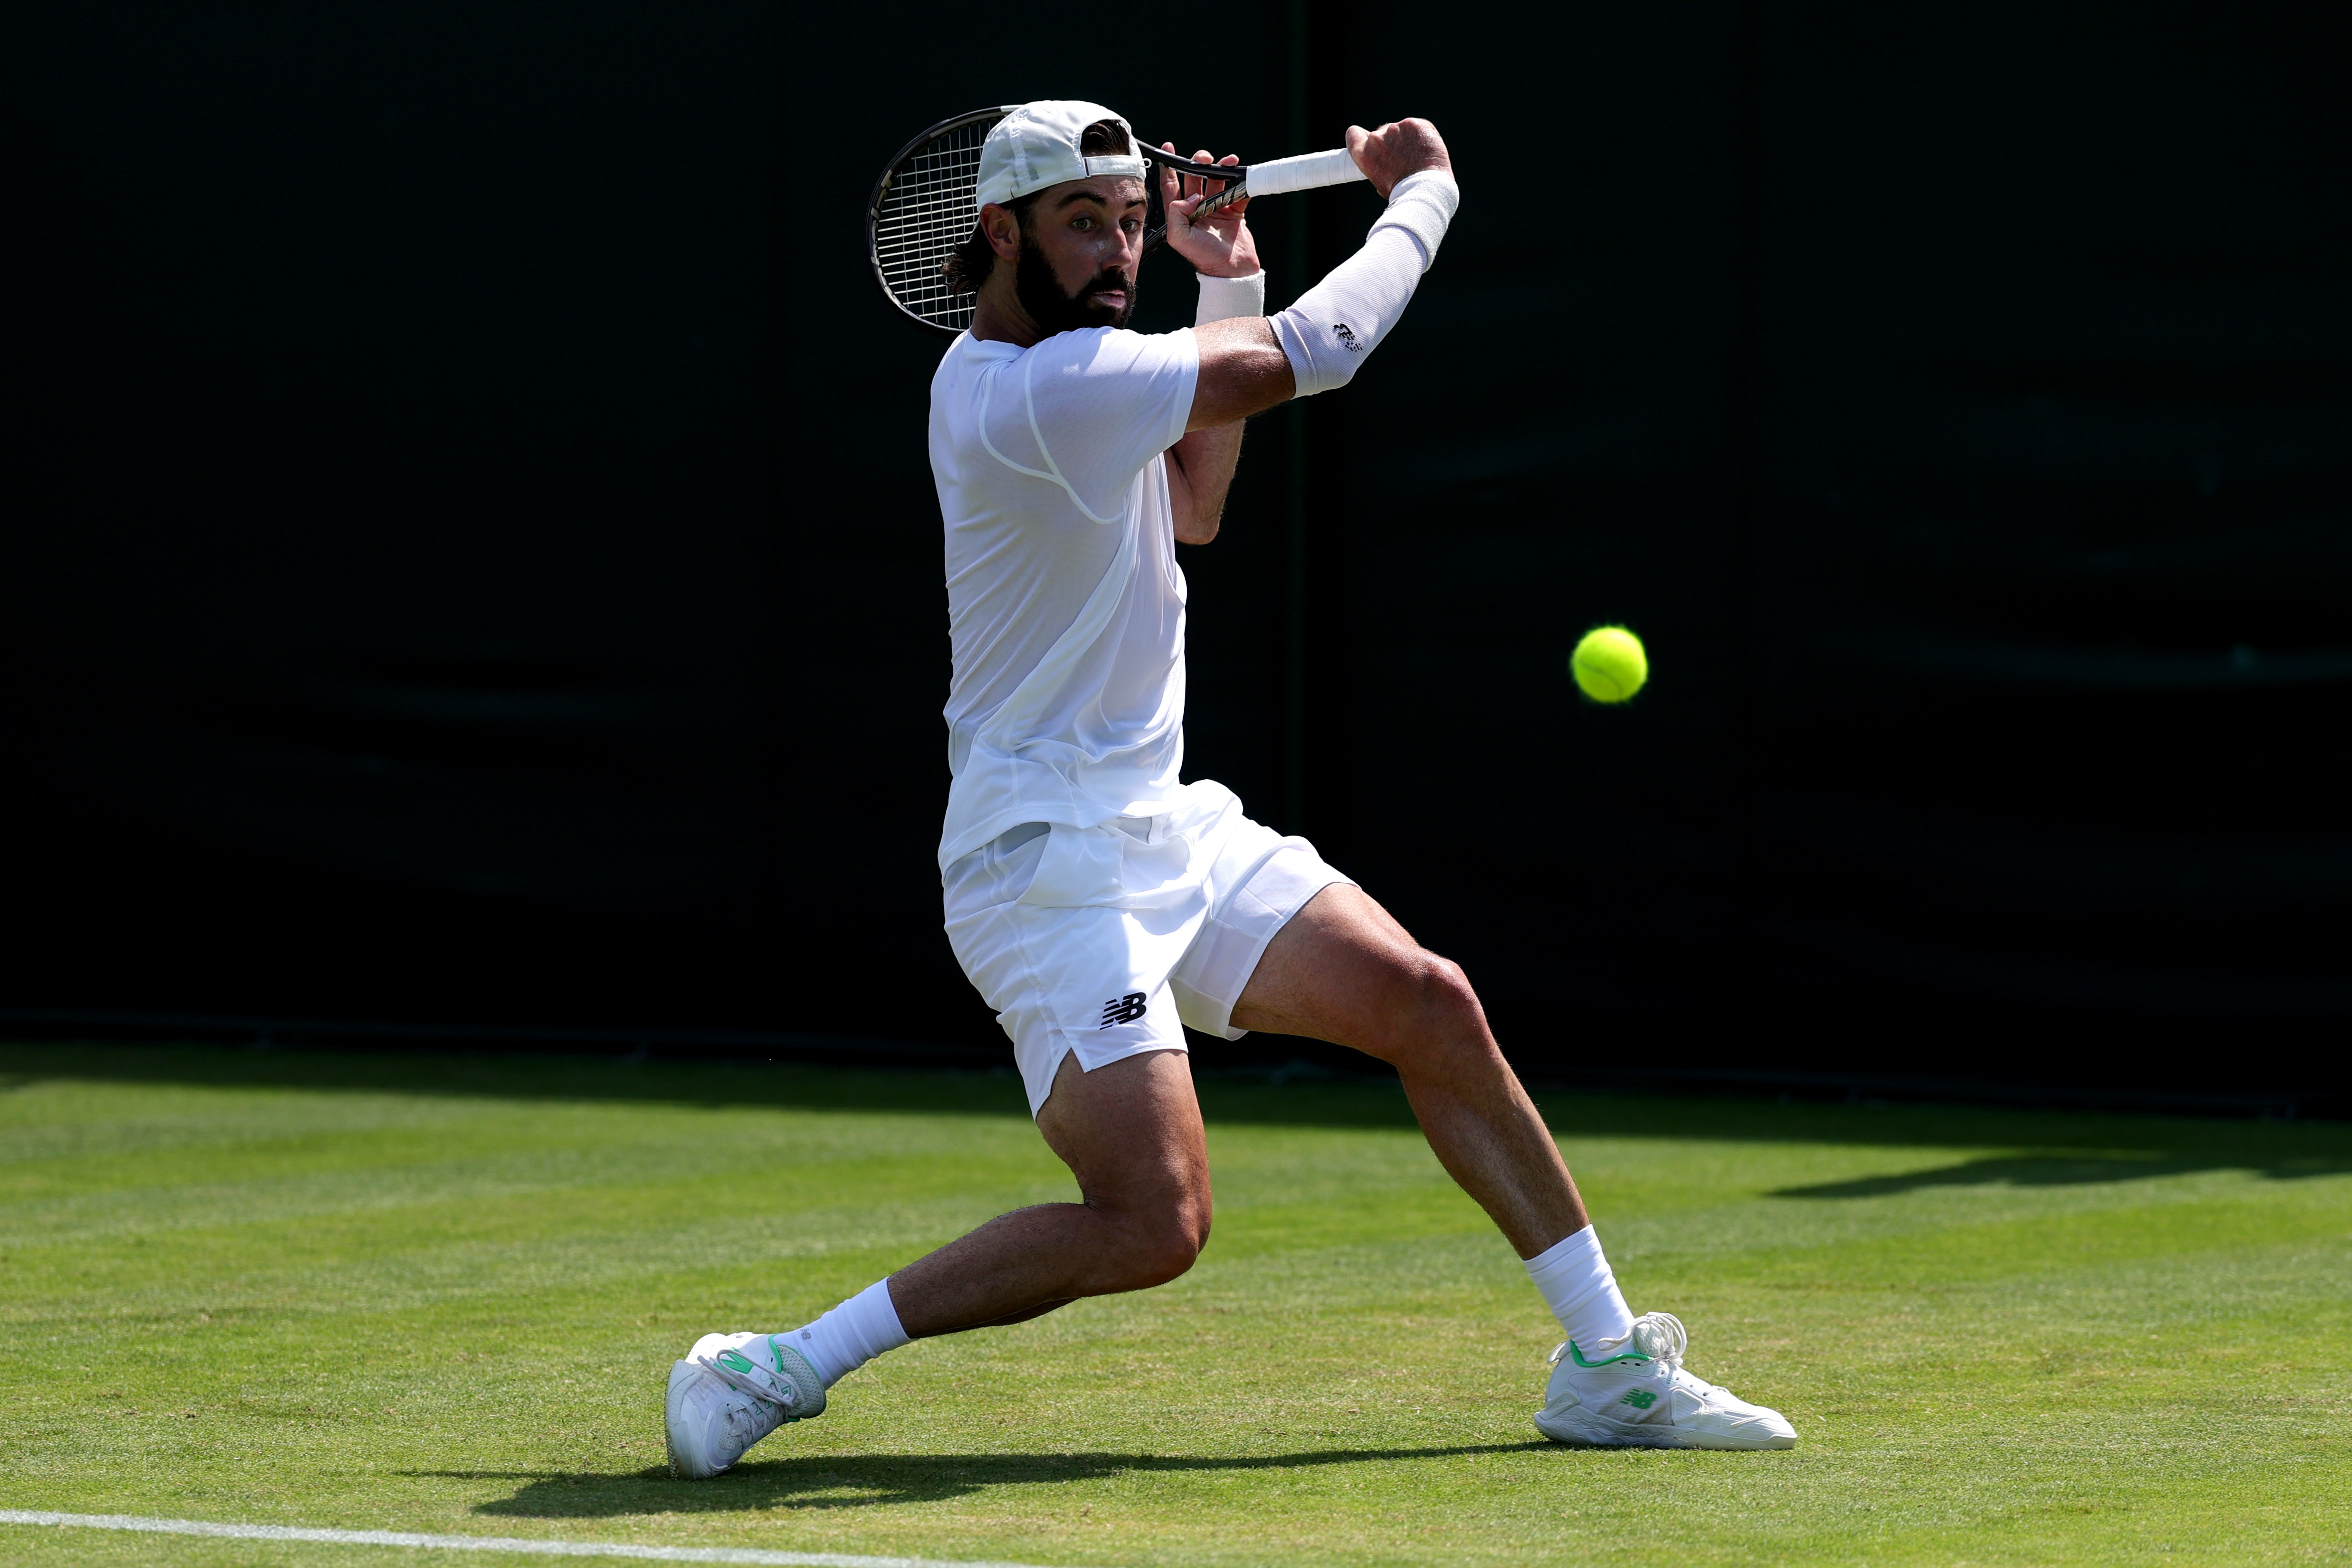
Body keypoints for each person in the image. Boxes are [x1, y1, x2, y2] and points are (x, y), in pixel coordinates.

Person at [664, 100, 1795, 1477]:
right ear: (999, 233)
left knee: (1429, 1002)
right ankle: (779, 1364)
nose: (1117, 250)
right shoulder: (1041, 390)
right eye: (1086, 222)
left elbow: (1192, 503)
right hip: (1044, 862)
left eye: (1132, 222)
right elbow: (1318, 354)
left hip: (1163, 823)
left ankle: (1609, 1368)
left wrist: (1227, 275)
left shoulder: (1082, 373)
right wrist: (1423, 196)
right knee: (1155, 1221)